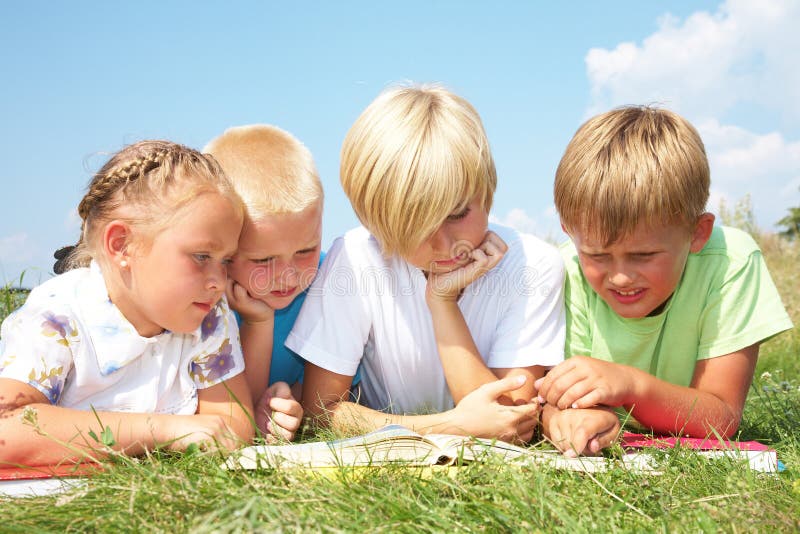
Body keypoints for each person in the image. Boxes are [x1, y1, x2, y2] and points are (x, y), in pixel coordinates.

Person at [289, 84, 566, 443]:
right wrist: (451, 426)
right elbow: (321, 411)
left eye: (458, 214)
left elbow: (513, 420)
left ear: (487, 190)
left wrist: (442, 303)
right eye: (417, 225)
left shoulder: (532, 264)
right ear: (375, 221)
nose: (444, 244)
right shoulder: (357, 258)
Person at [536, 106, 794, 456]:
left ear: (697, 233)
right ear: (569, 232)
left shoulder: (732, 261)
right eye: (596, 256)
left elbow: (722, 416)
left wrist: (629, 386)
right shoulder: (562, 268)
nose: (621, 276)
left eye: (643, 256)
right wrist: (560, 420)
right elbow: (550, 401)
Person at [0, 140, 254, 465]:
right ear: (122, 246)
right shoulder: (59, 317)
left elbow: (233, 425)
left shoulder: (209, 316)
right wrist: (163, 430)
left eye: (226, 260)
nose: (219, 279)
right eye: (202, 256)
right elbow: (7, 429)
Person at [204, 124, 319, 442]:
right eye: (262, 260)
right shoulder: (204, 298)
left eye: (306, 250)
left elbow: (334, 387)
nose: (288, 275)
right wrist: (258, 322)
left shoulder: (327, 282)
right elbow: (235, 414)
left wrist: (294, 403)